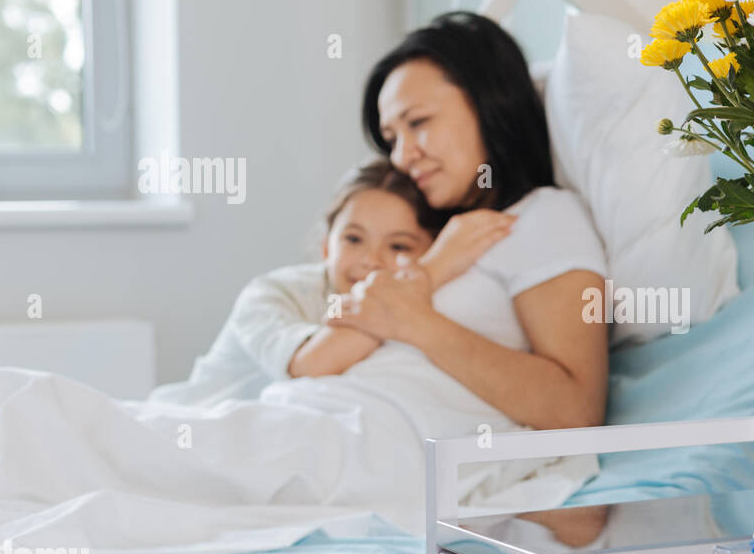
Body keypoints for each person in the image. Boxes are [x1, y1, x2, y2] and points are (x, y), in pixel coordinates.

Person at [339, 11, 609, 431]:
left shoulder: (543, 218)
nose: (401, 156)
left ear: (488, 104)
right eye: (391, 139)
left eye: (418, 123)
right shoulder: (430, 236)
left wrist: (415, 322)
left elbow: (576, 410)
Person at [148, 159, 512, 408]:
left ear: (427, 250)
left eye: (399, 246)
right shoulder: (273, 294)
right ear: (326, 246)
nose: (371, 260)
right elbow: (312, 364)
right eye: (353, 239)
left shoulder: (429, 306)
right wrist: (432, 271)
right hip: (192, 420)